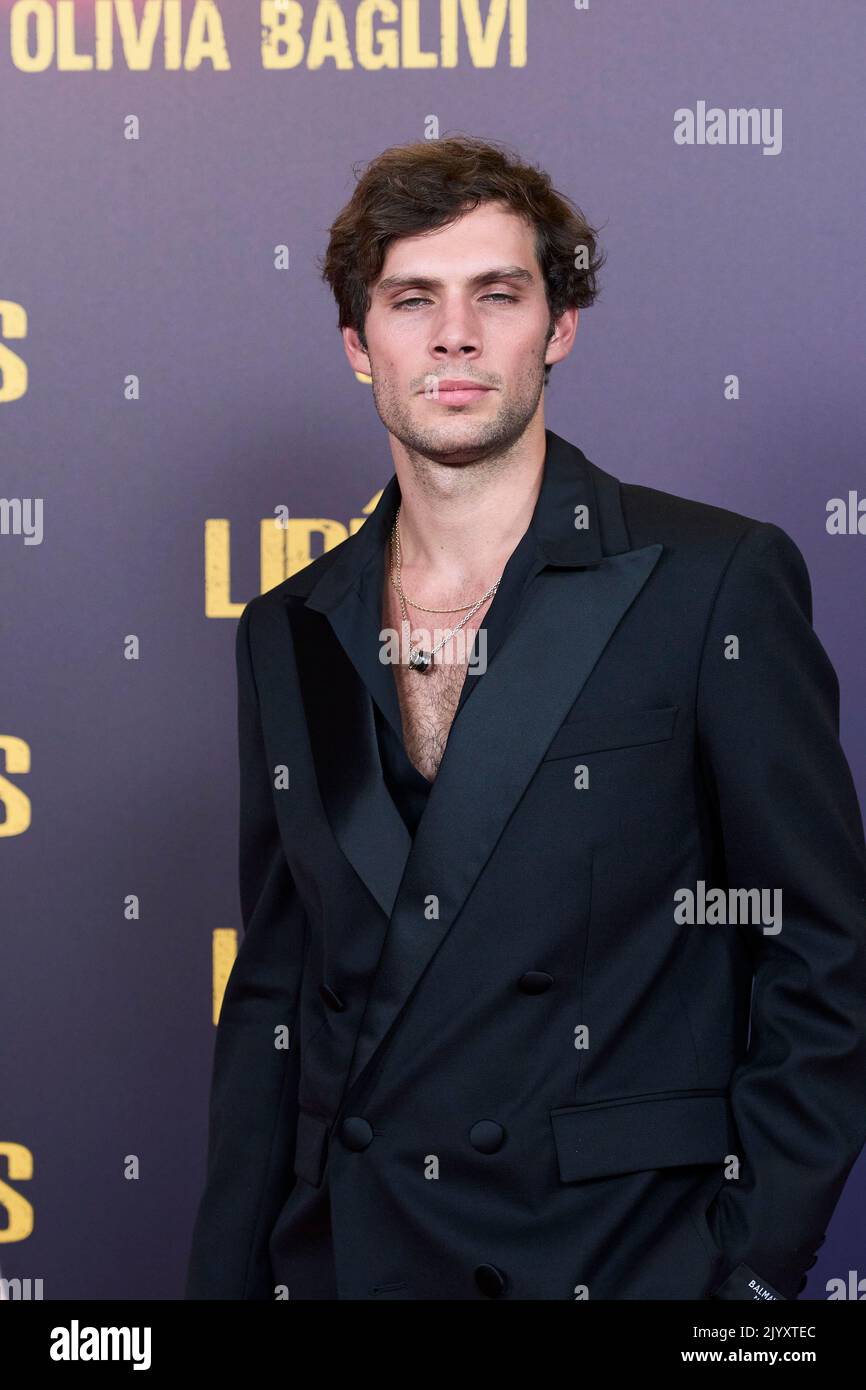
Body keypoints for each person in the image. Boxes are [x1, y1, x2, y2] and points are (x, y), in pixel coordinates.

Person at [185, 135, 866, 1300]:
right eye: (412, 299)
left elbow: (824, 951)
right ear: (360, 347)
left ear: (557, 327)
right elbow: (278, 994)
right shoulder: (286, 627)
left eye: (496, 294)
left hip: (618, 1259)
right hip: (353, 1254)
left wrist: (745, 1277)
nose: (454, 334)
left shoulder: (709, 581)